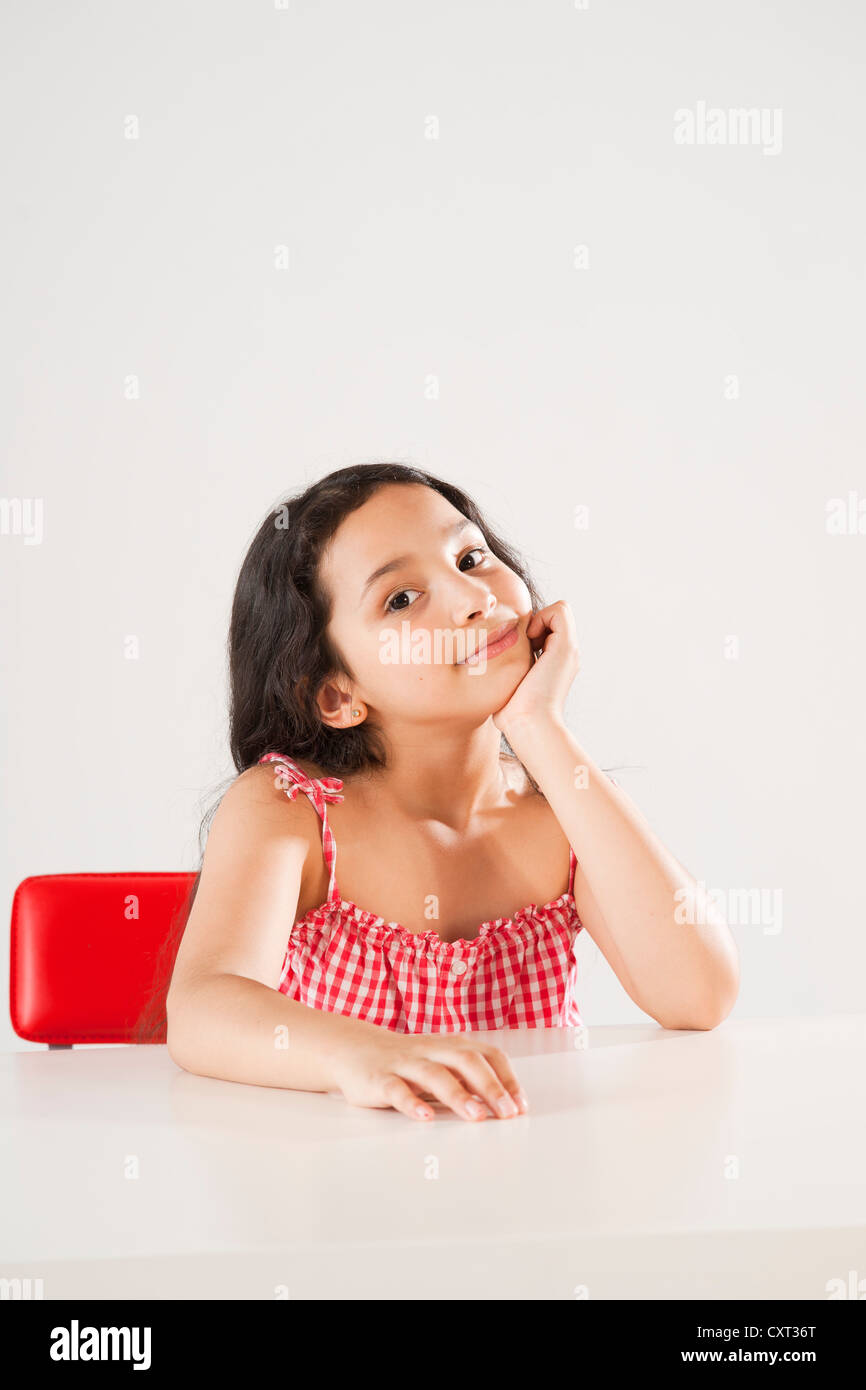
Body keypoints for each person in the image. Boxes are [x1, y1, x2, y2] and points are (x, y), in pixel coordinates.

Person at [157, 462, 739, 1122]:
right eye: (401, 599)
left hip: (528, 1186)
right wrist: (365, 1056)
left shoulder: (561, 812)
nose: (471, 598)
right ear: (337, 694)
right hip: (345, 1189)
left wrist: (537, 726)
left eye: (470, 556)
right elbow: (201, 1010)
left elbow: (700, 995)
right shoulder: (289, 810)